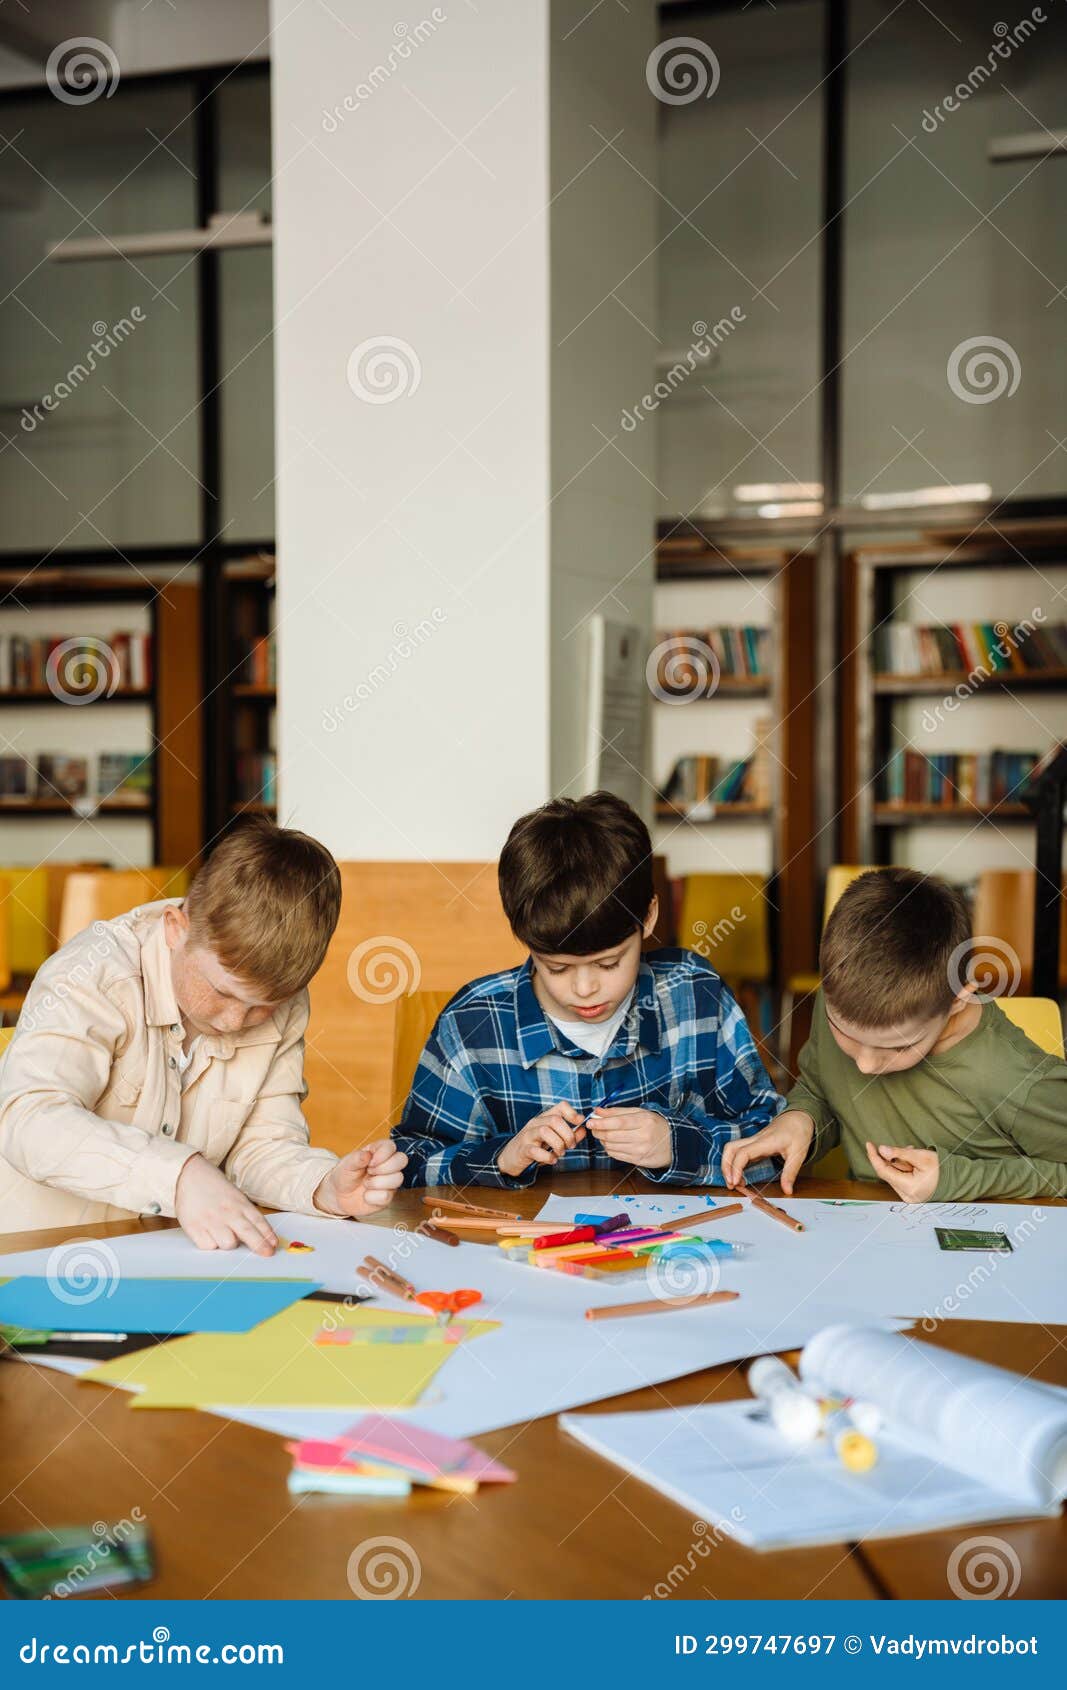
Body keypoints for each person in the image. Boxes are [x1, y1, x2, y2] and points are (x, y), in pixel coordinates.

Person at [0, 818, 406, 1248]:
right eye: (221, 991)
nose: (234, 1021)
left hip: (168, 1263)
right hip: (33, 1259)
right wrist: (178, 1175)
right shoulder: (93, 973)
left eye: (262, 1007)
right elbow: (27, 1121)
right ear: (176, 927)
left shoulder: (284, 1001)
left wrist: (322, 1186)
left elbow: (262, 1147)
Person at [392, 791, 782, 1187]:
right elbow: (408, 1166)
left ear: (648, 917)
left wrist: (679, 1145)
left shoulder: (695, 996)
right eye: (557, 967)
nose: (584, 989)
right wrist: (502, 1157)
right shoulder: (473, 1024)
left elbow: (777, 1146)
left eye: (609, 963)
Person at [723, 867, 1067, 1201]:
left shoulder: (1018, 1078)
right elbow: (821, 1089)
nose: (865, 1065)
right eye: (844, 1033)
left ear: (959, 1000)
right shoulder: (840, 1000)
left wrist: (961, 1179)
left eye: (898, 1047)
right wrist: (801, 1120)